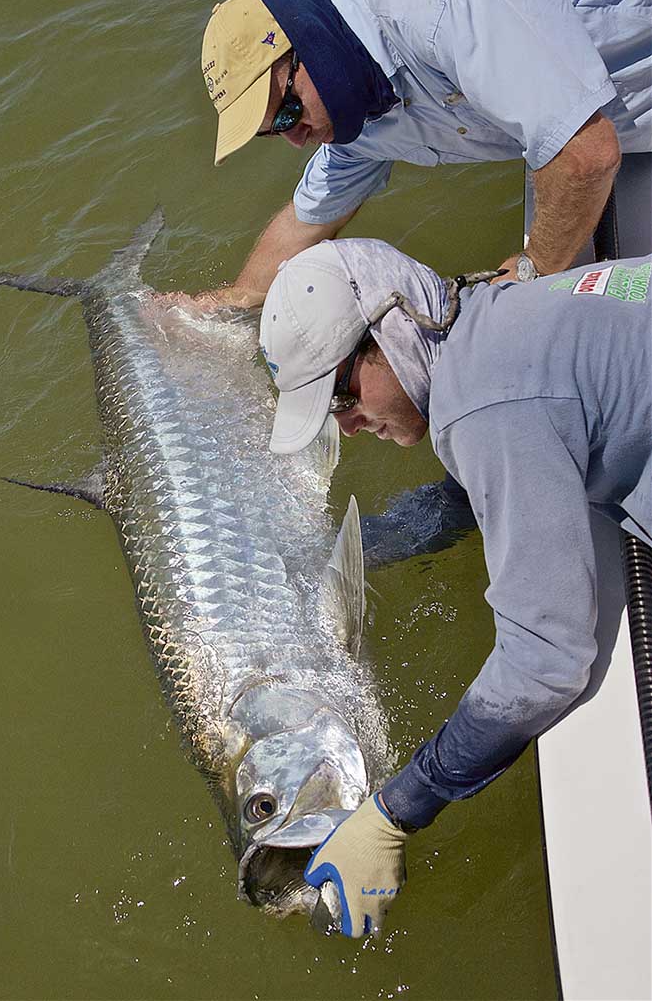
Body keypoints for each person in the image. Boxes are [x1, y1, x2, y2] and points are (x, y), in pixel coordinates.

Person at [257, 237, 651, 937]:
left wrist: (396, 809)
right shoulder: (499, 314)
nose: (346, 424)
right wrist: (359, 546)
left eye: (343, 394)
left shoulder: (481, 410)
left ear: (394, 328)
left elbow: (546, 664)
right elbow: (507, 457)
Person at [200, 0, 651, 303]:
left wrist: (531, 269)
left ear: (311, 46)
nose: (295, 139)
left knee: (541, 298)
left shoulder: (439, 7)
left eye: (287, 110)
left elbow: (586, 157)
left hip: (600, 137)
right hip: (617, 130)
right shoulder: (360, 118)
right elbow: (306, 223)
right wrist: (219, 307)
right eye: (273, 130)